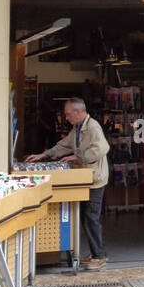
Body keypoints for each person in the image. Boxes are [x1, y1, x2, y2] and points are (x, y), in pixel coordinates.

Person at [26, 98, 111, 269]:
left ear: (78, 112)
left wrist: (79, 156)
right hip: (86, 177)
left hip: (95, 179)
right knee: (85, 217)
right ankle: (96, 252)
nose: (66, 117)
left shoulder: (93, 127)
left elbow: (102, 148)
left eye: (68, 114)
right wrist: (44, 155)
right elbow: (64, 145)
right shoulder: (77, 128)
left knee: (91, 217)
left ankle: (100, 256)